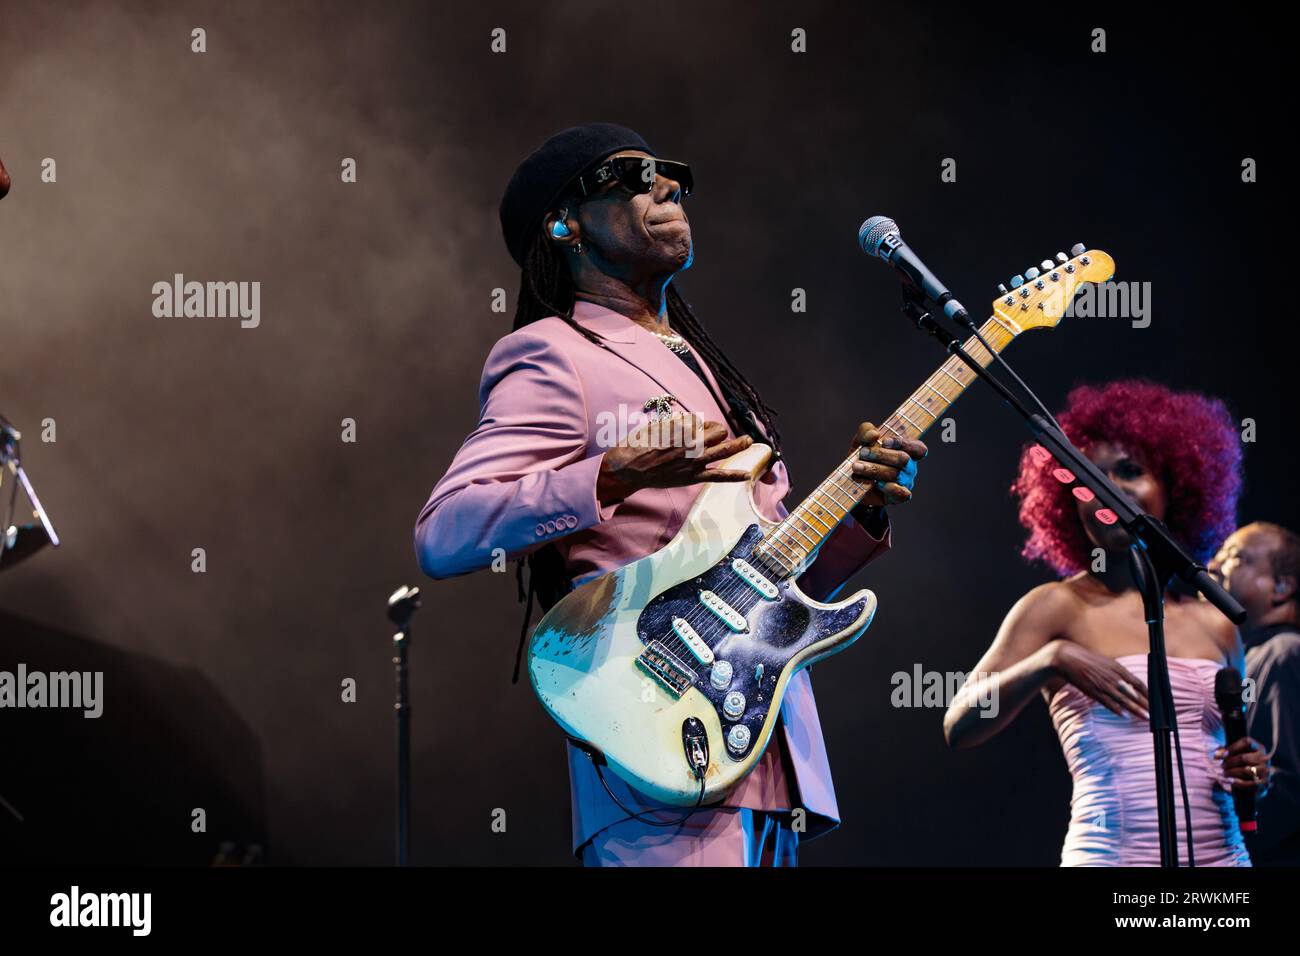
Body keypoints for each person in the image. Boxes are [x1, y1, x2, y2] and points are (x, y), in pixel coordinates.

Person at [414, 123, 928, 865]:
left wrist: (863, 509)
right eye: (632, 175)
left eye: (671, 172)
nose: (668, 184)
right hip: (655, 755)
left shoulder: (706, 368)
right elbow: (444, 533)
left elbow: (778, 584)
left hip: (766, 759)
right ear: (564, 225)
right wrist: (611, 474)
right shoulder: (553, 354)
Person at [943, 380, 1269, 865]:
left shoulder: (1215, 623)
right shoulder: (1055, 606)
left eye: (1130, 471)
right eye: (1089, 477)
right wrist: (1051, 659)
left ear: (1176, 488)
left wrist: (1252, 771)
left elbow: (1232, 749)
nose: (1107, 489)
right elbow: (960, 724)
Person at [1211, 521, 1300, 864]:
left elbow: (1290, 783)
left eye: (1236, 557)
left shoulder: (1285, 652)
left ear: (1281, 586)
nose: (1214, 565)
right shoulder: (1249, 655)